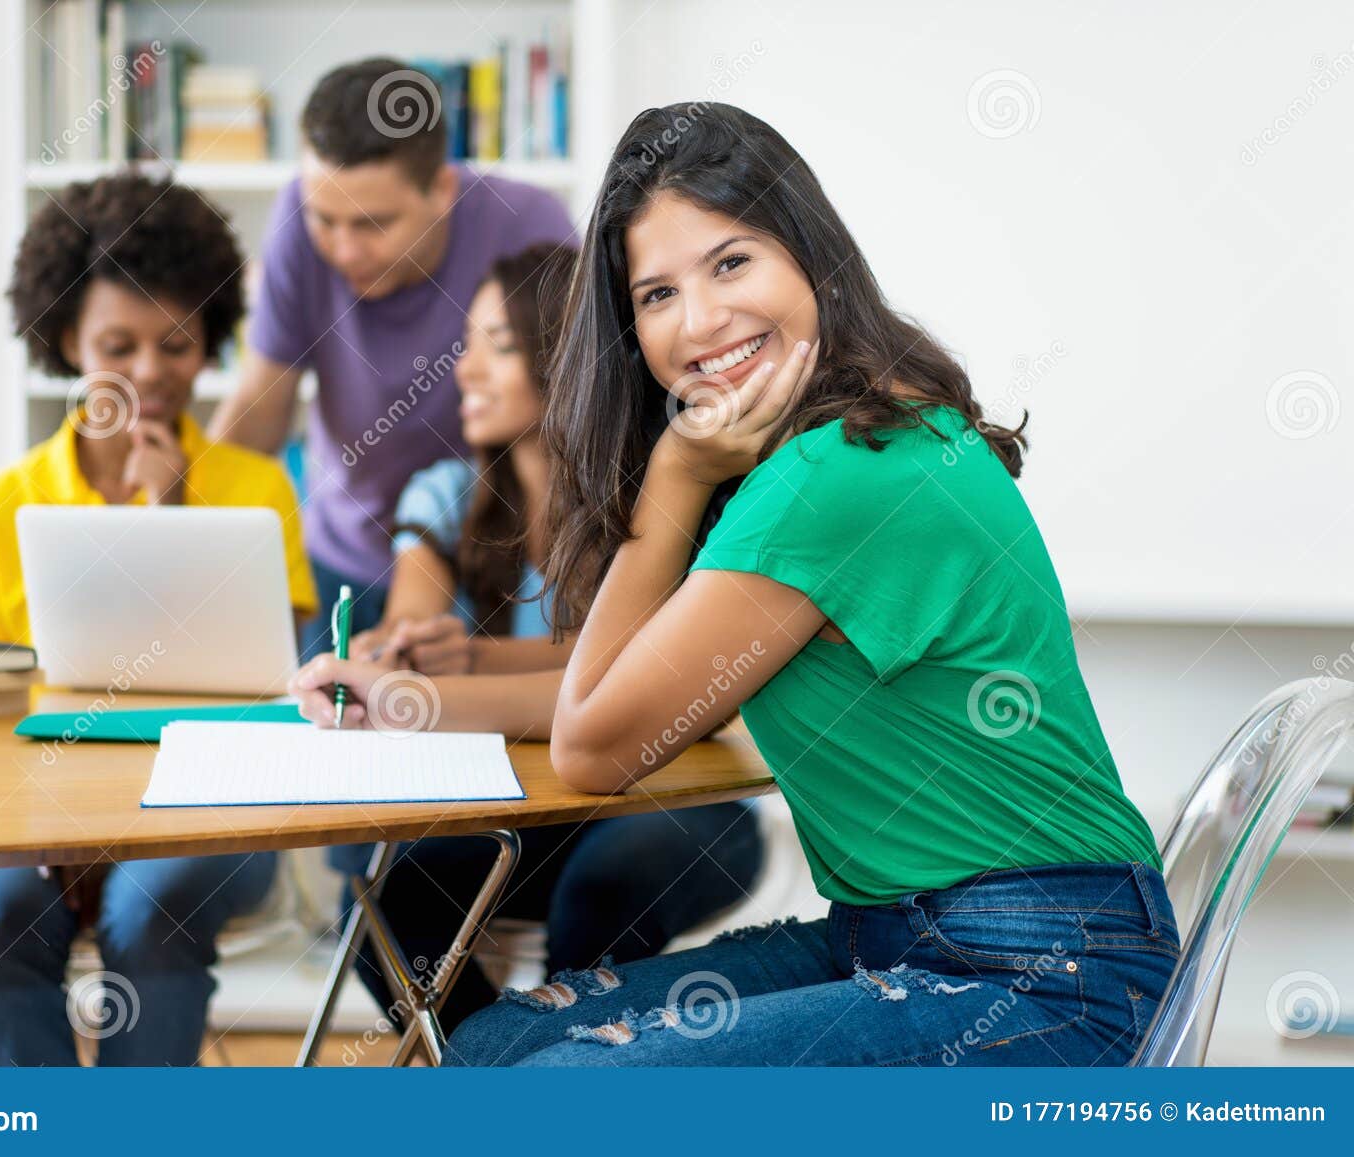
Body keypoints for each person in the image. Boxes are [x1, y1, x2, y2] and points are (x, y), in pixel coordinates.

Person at [428, 103, 1178, 1066]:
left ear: (811, 257)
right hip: (910, 934)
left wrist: (673, 476)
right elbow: (627, 691)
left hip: (1045, 975)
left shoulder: (830, 475)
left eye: (732, 262)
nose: (700, 321)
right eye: (656, 294)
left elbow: (590, 747)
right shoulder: (843, 438)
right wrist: (421, 702)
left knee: (561, 1082)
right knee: (497, 1045)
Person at [290, 243, 763, 1033]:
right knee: (379, 912)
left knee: (603, 896)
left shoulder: (670, 491)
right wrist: (398, 649)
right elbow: (415, 609)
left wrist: (466, 661)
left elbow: (638, 669)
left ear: (568, 358)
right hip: (525, 813)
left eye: (498, 346)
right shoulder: (450, 496)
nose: (465, 370)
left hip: (667, 798)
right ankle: (508, 1081)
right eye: (468, 345)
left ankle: (559, 1080)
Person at [0, 173, 318, 1066]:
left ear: (209, 342)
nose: (150, 371)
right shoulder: (7, 505)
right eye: (119, 343)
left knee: (153, 911)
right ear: (66, 340)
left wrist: (175, 511)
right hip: (25, 813)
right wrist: (58, 829)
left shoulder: (255, 492)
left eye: (176, 344)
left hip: (216, 811)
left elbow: (277, 692)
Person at [208, 57, 576, 660]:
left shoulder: (529, 227)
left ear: (441, 190)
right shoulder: (297, 226)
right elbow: (258, 405)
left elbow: (587, 393)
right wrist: (189, 531)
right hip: (343, 554)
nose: (343, 249)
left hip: (492, 551)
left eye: (373, 223)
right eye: (325, 220)